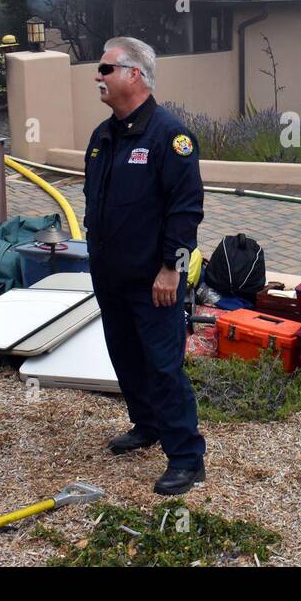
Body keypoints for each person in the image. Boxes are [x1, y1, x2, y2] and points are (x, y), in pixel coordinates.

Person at [83, 36, 206, 495]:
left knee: (162, 365)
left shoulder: (169, 136)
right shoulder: (103, 136)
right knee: (126, 356)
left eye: (106, 68)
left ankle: (187, 457)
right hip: (110, 274)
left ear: (135, 74)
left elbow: (186, 210)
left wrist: (172, 269)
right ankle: (147, 424)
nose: (98, 76)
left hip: (154, 279)